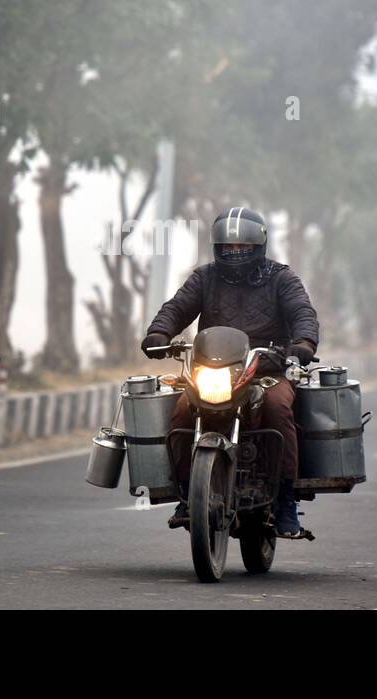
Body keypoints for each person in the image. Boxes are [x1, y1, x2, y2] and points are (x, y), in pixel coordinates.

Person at [140, 207, 319, 538]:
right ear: (218, 248)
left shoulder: (281, 277)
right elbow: (176, 308)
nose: (234, 253)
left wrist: (304, 342)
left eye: (243, 247)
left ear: (258, 247)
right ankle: (185, 494)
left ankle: (285, 501)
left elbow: (301, 312)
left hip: (264, 369)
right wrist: (159, 334)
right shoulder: (204, 277)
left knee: (279, 408)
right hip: (212, 367)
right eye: (228, 247)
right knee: (180, 414)